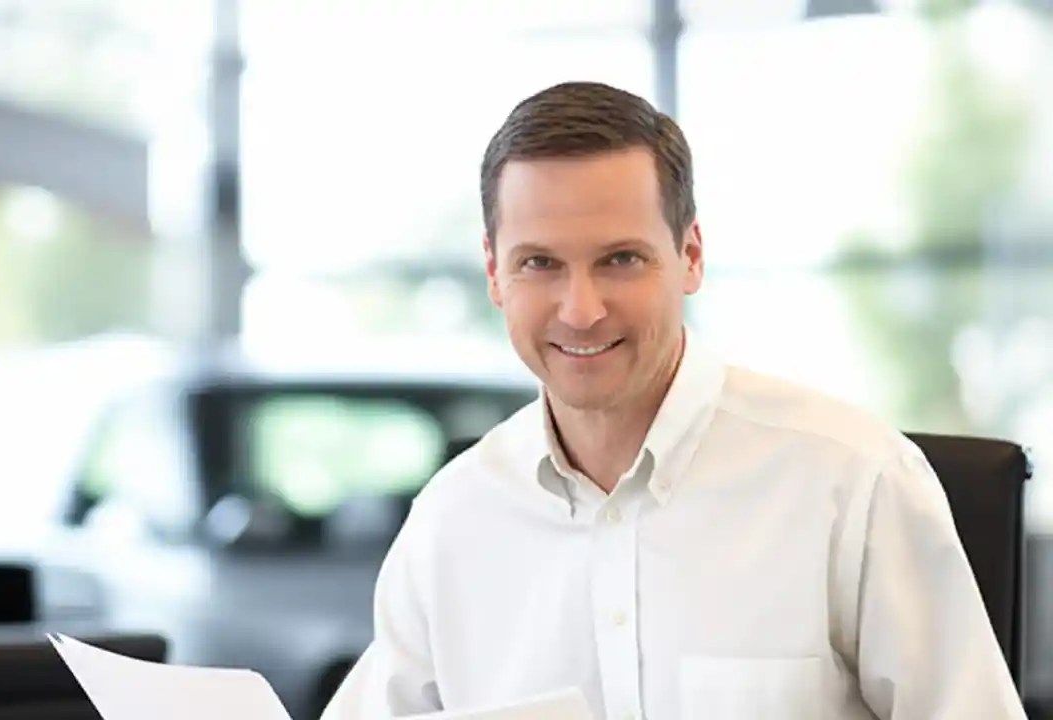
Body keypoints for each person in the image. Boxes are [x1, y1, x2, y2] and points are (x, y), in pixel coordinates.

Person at [321, 81, 1025, 719]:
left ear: (690, 255)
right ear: (494, 273)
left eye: (620, 259)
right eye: (540, 263)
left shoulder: (853, 480)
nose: (582, 309)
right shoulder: (453, 521)